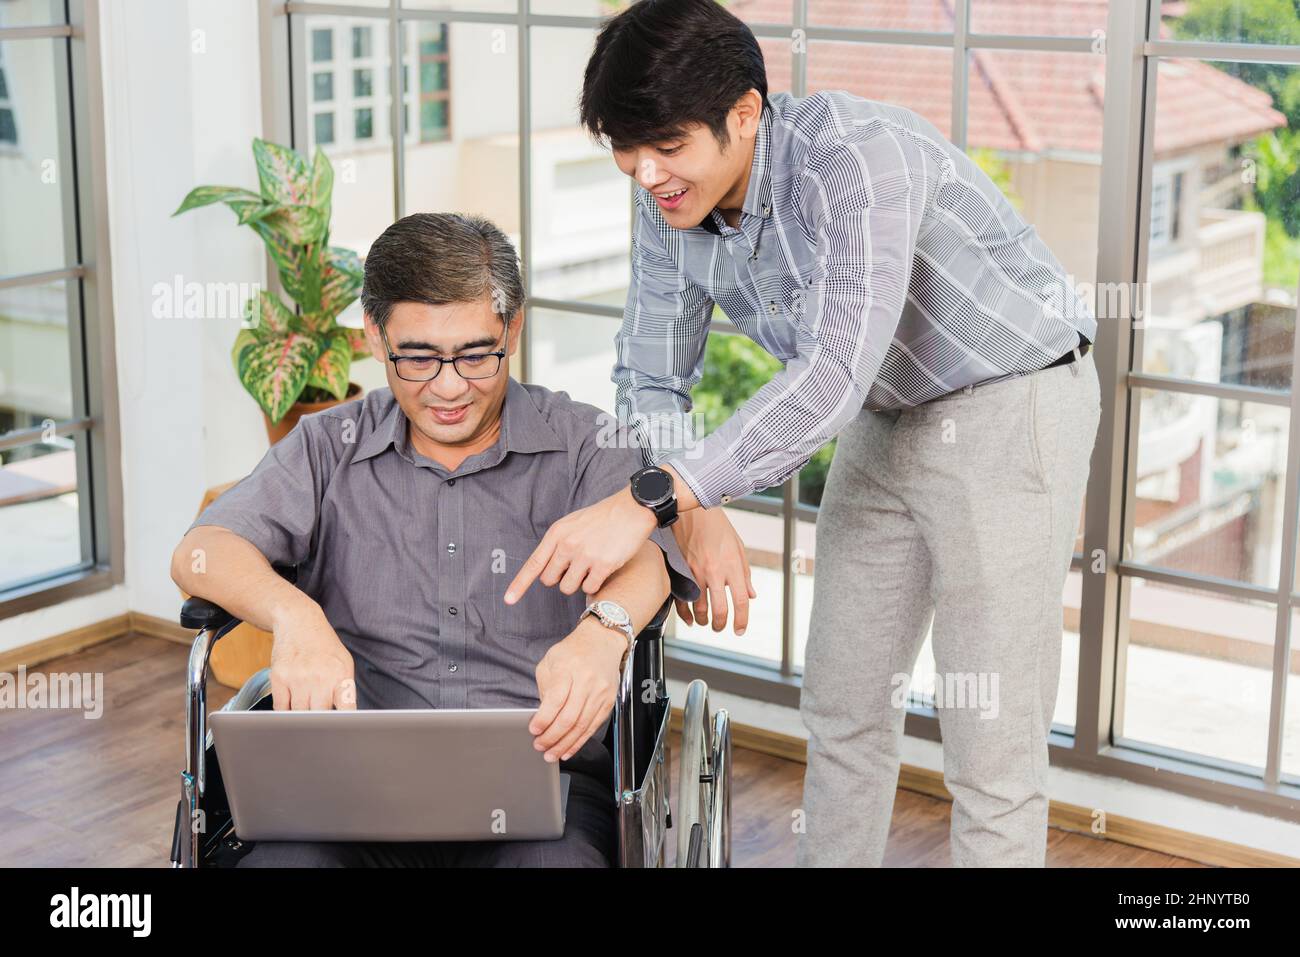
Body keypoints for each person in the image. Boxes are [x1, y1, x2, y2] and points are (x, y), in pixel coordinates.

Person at [505, 0, 1100, 867]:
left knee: (990, 737)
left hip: (1009, 400)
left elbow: (829, 375)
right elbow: (648, 374)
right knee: (843, 705)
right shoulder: (667, 198)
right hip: (883, 413)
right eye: (627, 153)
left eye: (666, 146)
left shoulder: (855, 161)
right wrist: (692, 514)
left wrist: (658, 493)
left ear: (744, 113)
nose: (646, 174)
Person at [171, 212, 699, 867]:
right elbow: (200, 551)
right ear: (373, 334)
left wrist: (603, 631)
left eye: (477, 353)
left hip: (545, 787)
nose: (449, 387)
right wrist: (292, 613)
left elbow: (647, 556)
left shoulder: (586, 443)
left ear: (514, 327)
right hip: (351, 787)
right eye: (418, 356)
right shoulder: (326, 447)